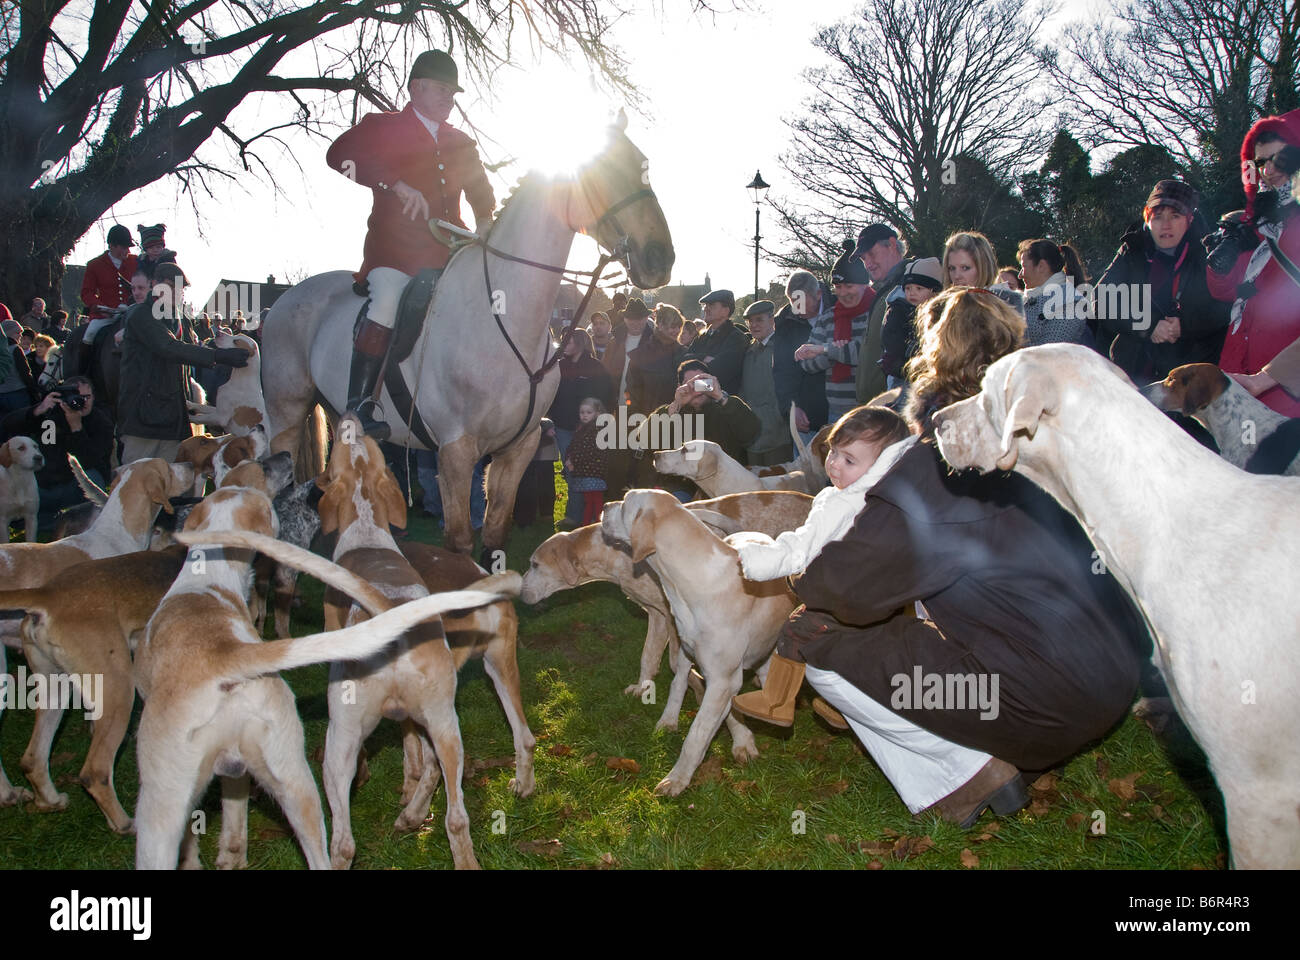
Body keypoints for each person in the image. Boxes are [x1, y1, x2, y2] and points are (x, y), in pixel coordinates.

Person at [773, 287, 1151, 828]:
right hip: (1115, 675)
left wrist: (802, 579)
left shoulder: (939, 464)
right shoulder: (1053, 434)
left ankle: (965, 774)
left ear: (928, 364)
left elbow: (841, 587)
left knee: (812, 634)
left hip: (1045, 701)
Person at [327, 49, 495, 438]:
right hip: (395, 252)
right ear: (416, 87)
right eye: (442, 89)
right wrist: (394, 183)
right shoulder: (382, 126)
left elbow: (481, 192)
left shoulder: (462, 142)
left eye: (453, 93)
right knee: (386, 301)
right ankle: (359, 407)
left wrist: (485, 221)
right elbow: (338, 155)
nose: (449, 98)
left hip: (452, 250)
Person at [730, 405, 913, 726]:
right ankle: (851, 708)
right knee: (860, 651)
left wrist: (756, 558)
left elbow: (802, 547)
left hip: (841, 597)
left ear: (882, 465)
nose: (834, 465)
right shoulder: (889, 498)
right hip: (885, 599)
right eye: (833, 452)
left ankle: (777, 702)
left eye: (849, 460)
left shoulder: (839, 501)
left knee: (796, 633)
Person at [1207, 108, 1300, 416]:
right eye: (1260, 162)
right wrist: (1221, 261)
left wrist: (1270, 376)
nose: (1269, 170)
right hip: (1241, 376)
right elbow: (1228, 292)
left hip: (1285, 388)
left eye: (1279, 158)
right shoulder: (1257, 221)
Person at [1095, 180, 1229, 383]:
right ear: (1147, 218)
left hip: (1192, 377)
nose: (1166, 225)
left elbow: (1226, 306)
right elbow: (1101, 300)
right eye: (1158, 217)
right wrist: (1148, 324)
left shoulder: (1208, 252)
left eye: (1175, 216)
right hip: (1133, 371)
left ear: (1189, 219)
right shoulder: (1132, 249)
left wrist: (1184, 326)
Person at [117, 263, 249, 463]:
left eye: (180, 288)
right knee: (135, 483)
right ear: (154, 284)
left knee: (173, 486)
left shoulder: (183, 321)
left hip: (173, 417)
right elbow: (168, 347)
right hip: (143, 418)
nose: (176, 293)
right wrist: (217, 357)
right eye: (170, 286)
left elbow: (186, 358)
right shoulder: (140, 315)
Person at [629, 359, 760, 499]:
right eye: (689, 384)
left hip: (725, 488)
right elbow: (643, 439)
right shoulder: (672, 413)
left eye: (701, 383)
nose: (696, 390)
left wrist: (721, 397)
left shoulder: (727, 408)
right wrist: (675, 407)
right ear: (679, 386)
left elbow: (751, 432)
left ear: (712, 383)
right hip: (681, 487)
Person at [0, 376, 114, 535]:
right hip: (48, 485)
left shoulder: (101, 422)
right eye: (76, 397)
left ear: (94, 397)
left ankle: (84, 522)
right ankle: (58, 523)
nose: (81, 402)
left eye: (87, 397)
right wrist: (38, 410)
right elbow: (8, 424)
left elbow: (90, 460)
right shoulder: (51, 416)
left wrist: (76, 428)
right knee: (22, 496)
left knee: (93, 478)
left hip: (76, 485)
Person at [795, 241, 875, 421]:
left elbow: (866, 354)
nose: (843, 292)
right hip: (836, 413)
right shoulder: (827, 318)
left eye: (849, 286)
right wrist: (833, 351)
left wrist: (825, 349)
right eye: (838, 287)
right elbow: (806, 363)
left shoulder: (877, 312)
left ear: (864, 284)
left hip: (871, 410)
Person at [547, 327, 614, 528]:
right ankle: (574, 515)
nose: (564, 344)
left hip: (589, 429)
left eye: (569, 341)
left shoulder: (595, 367)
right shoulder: (558, 367)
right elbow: (549, 396)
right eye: (563, 341)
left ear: (580, 343)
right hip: (563, 426)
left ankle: (593, 514)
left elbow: (607, 395)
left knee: (590, 471)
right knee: (570, 470)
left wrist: (602, 421)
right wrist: (549, 422)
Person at [851, 222, 910, 403]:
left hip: (896, 409)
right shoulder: (886, 290)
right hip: (877, 408)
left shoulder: (911, 287)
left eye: (871, 254)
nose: (868, 263)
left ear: (892, 244)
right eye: (863, 258)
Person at [777, 272, 830, 447]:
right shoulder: (784, 322)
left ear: (819, 295)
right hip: (806, 419)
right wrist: (792, 408)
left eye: (803, 303)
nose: (798, 311)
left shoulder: (840, 309)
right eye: (794, 303)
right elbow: (782, 371)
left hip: (841, 411)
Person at [740, 299, 792, 466]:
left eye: (759, 320)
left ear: (772, 320)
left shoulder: (782, 348)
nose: (754, 325)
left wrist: (778, 416)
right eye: (750, 321)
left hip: (778, 434)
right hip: (753, 433)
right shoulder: (749, 350)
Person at [879, 257, 943, 387]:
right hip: (902, 375)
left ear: (935, 291)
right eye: (908, 288)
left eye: (919, 288)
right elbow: (892, 342)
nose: (912, 293)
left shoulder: (939, 315)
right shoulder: (899, 311)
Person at [1018, 239, 1094, 348]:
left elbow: (1048, 353)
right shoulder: (1030, 298)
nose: (1019, 275)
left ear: (1041, 266)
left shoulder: (1071, 304)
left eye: (1023, 267)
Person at [941, 231, 1025, 316]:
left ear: (984, 268)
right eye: (952, 268)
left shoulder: (1008, 305)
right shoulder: (944, 307)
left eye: (965, 268)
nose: (956, 276)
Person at [684, 289, 751, 394]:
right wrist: (703, 357)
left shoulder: (737, 339)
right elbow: (682, 360)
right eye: (705, 305)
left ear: (726, 311)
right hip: (697, 404)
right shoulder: (702, 336)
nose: (706, 309)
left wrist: (691, 387)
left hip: (722, 405)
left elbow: (719, 377)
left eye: (711, 305)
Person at [627, 303, 685, 416]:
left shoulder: (685, 354)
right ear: (660, 325)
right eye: (673, 326)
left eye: (679, 326)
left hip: (680, 422)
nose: (677, 330)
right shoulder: (640, 355)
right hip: (648, 420)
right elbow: (632, 393)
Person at [564, 397, 610, 525]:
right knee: (589, 500)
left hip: (594, 471)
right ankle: (587, 525)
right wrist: (569, 458)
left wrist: (573, 460)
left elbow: (586, 450)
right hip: (585, 471)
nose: (584, 415)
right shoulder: (581, 428)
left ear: (598, 413)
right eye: (582, 412)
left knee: (596, 500)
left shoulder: (596, 429)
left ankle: (599, 524)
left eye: (588, 412)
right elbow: (573, 446)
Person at [601, 297, 653, 409]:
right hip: (617, 406)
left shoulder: (654, 343)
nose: (635, 322)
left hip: (645, 408)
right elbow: (604, 373)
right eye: (631, 318)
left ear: (646, 318)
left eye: (639, 318)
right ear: (625, 319)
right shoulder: (614, 343)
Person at [80, 224, 138, 319]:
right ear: (112, 246)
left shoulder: (136, 261)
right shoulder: (94, 265)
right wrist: (100, 307)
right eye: (123, 248)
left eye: (128, 247)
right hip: (105, 314)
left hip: (132, 312)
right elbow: (87, 293)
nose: (127, 251)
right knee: (90, 333)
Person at [0, 318, 38, 416]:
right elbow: (25, 372)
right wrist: (35, 390)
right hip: (17, 394)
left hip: (1, 394)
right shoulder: (15, 349)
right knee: (20, 423)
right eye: (18, 333)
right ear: (8, 333)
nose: (21, 336)